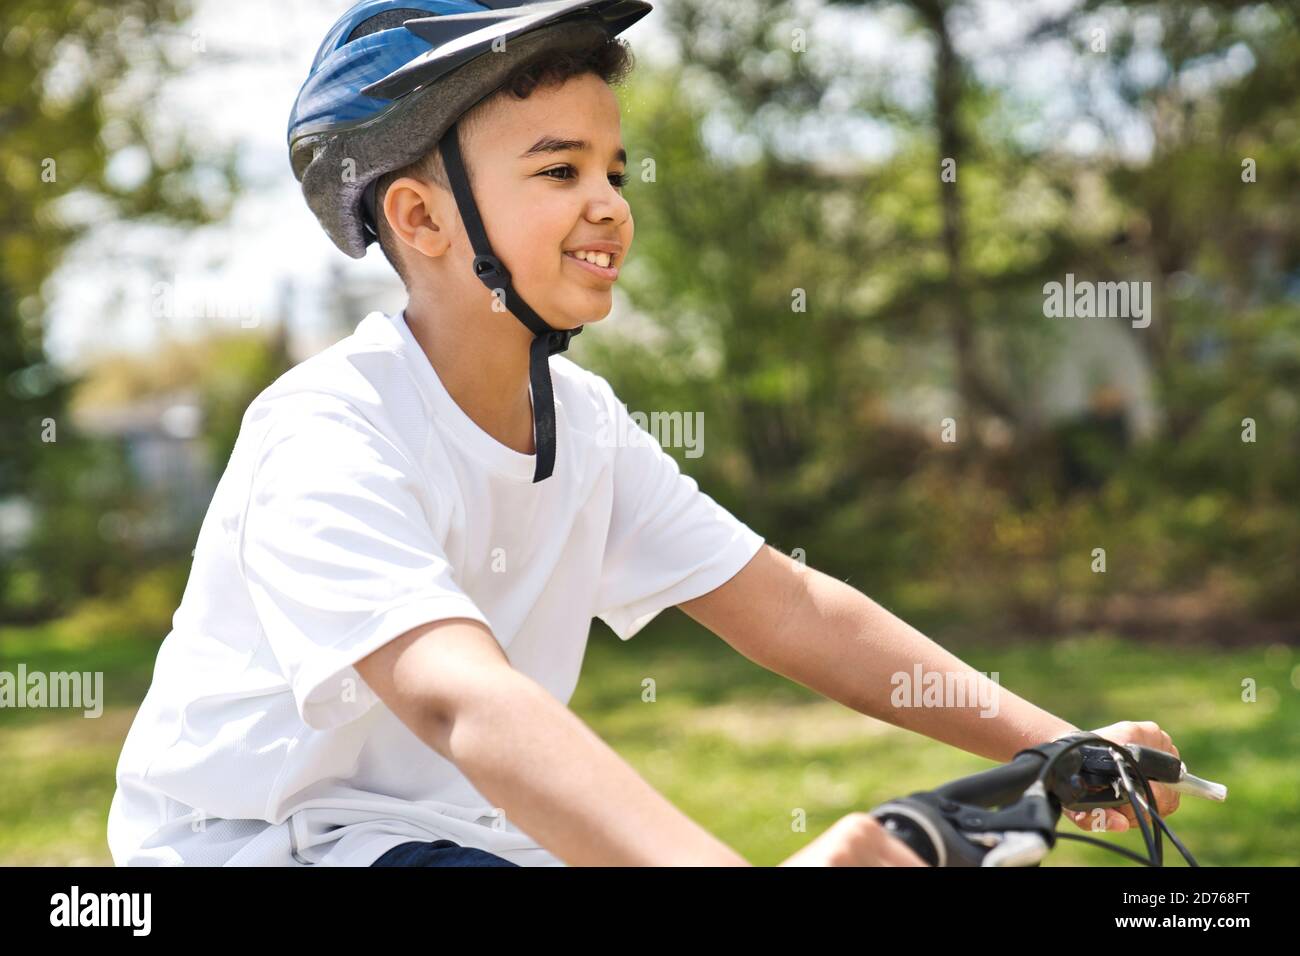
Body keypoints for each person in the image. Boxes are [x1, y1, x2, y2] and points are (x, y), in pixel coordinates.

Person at [107, 0, 1181, 867]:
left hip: (451, 839)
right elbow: (463, 700)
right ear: (422, 221)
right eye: (559, 170)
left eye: (614, 171)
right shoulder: (328, 433)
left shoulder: (583, 424)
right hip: (257, 847)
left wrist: (1054, 740)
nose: (611, 203)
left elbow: (789, 606)